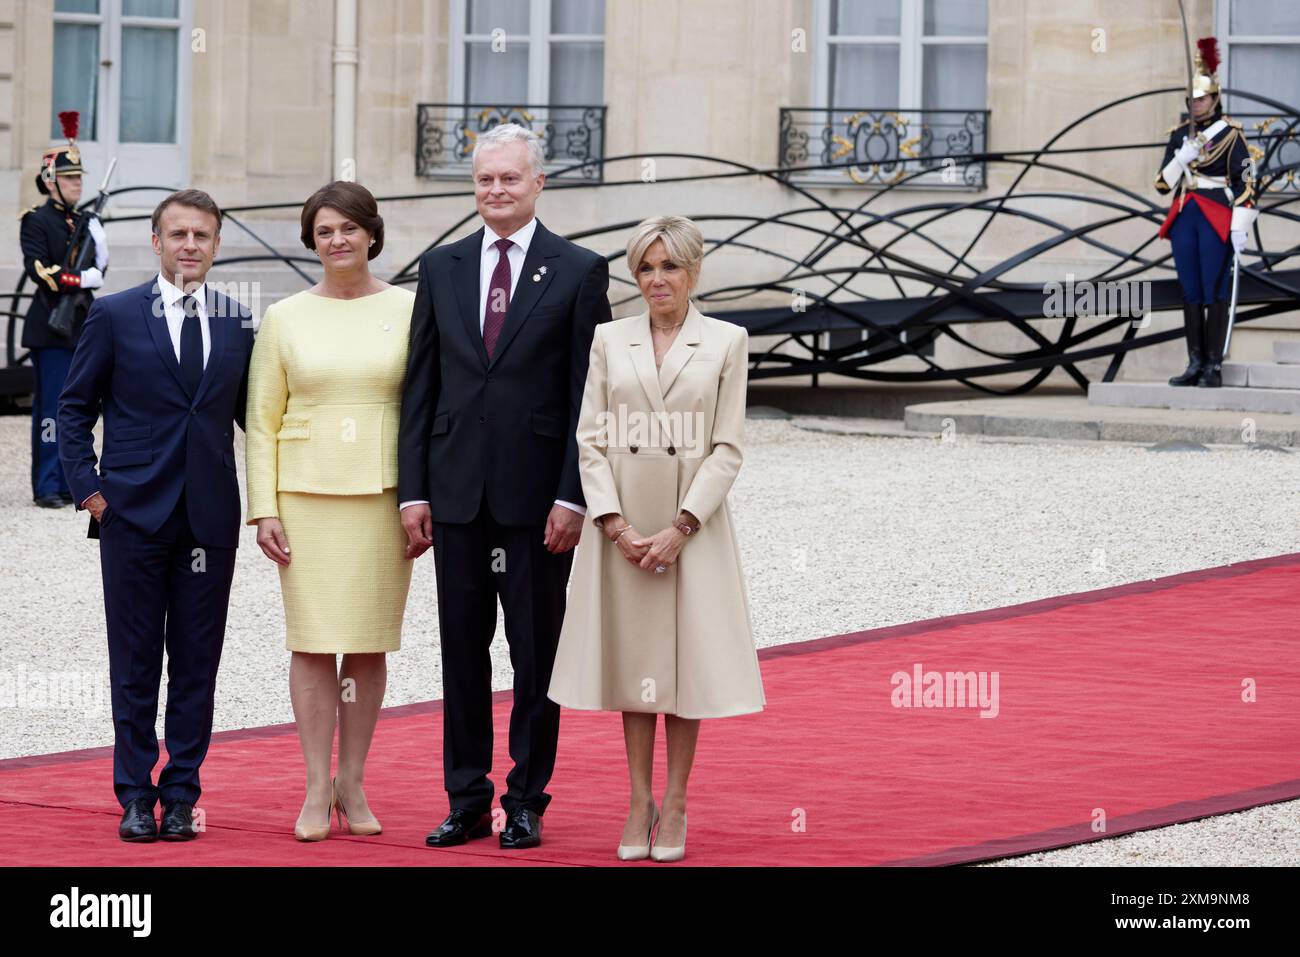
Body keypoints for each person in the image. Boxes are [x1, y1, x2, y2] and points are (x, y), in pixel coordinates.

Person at [398, 123, 612, 850]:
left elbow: (591, 394)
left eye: (509, 179)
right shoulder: (442, 266)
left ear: (537, 183)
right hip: (455, 498)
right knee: (462, 653)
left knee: (534, 656)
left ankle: (525, 798)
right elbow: (419, 389)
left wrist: (572, 495)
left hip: (535, 505)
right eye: (485, 179)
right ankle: (465, 796)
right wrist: (412, 491)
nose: (495, 190)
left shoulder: (579, 271)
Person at [547, 216, 765, 862]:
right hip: (623, 525)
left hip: (691, 526)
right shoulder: (610, 340)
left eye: (669, 266)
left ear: (693, 271)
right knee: (635, 661)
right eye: (645, 267)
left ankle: (675, 800)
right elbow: (590, 437)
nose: (657, 279)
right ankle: (637, 797)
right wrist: (612, 523)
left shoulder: (727, 341)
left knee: (684, 664)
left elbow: (728, 447)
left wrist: (681, 527)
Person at [58, 189, 253, 842]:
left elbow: (261, 420)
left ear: (217, 244)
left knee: (197, 664)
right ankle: (135, 793)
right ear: (156, 240)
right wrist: (92, 492)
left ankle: (181, 792)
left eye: (202, 235)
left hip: (209, 521)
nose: (190, 245)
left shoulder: (237, 322)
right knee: (136, 661)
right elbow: (73, 409)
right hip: (132, 518)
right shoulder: (113, 316)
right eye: (178, 234)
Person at [244, 181, 416, 842]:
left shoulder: (409, 309)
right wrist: (264, 508)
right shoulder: (285, 316)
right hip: (305, 499)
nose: (337, 240)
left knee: (367, 641)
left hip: (381, 497)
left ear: (372, 233)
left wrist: (417, 498)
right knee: (314, 643)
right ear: (311, 240)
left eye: (348, 228)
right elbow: (261, 421)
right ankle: (317, 784)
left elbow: (424, 413)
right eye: (324, 231)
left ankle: (355, 779)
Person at [1155, 36, 1258, 389]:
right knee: (1190, 291)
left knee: (1214, 291)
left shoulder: (1230, 134)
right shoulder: (1180, 135)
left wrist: (1240, 225)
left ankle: (1213, 366)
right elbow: (1161, 185)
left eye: (1201, 99)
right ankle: (1194, 361)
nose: (1196, 104)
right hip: (1186, 215)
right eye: (1192, 99)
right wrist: (1179, 159)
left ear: (1214, 98)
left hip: (1216, 214)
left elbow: (1246, 182)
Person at [22, 111, 108, 508]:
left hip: (82, 325)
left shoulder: (87, 222)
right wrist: (83, 279)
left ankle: (77, 483)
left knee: (81, 409)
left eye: (79, 178)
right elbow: (43, 271)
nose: (78, 184)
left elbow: (100, 266)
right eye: (70, 178)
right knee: (51, 410)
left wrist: (96, 262)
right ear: (51, 181)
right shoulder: (35, 221)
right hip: (50, 326)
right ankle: (47, 485)